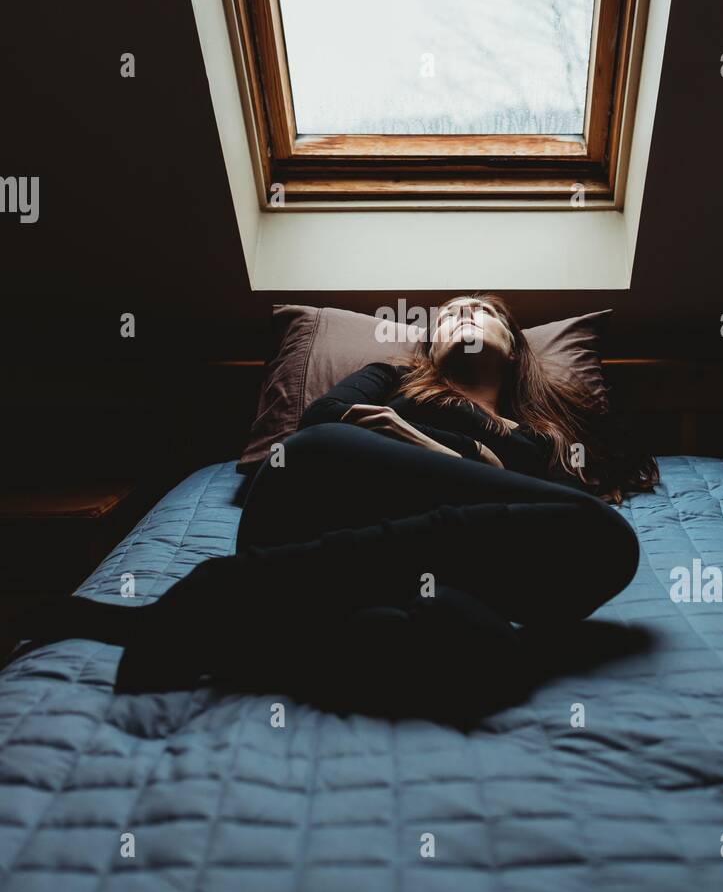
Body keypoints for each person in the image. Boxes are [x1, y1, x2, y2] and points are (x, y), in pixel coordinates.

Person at [10, 295, 657, 720]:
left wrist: (419, 442)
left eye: (479, 310)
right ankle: (246, 597)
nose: (459, 316)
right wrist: (463, 459)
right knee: (600, 538)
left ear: (512, 345)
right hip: (313, 508)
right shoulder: (390, 379)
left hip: (360, 569)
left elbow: (563, 517)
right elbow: (319, 428)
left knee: (489, 643)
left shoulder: (541, 438)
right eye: (446, 315)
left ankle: (249, 610)